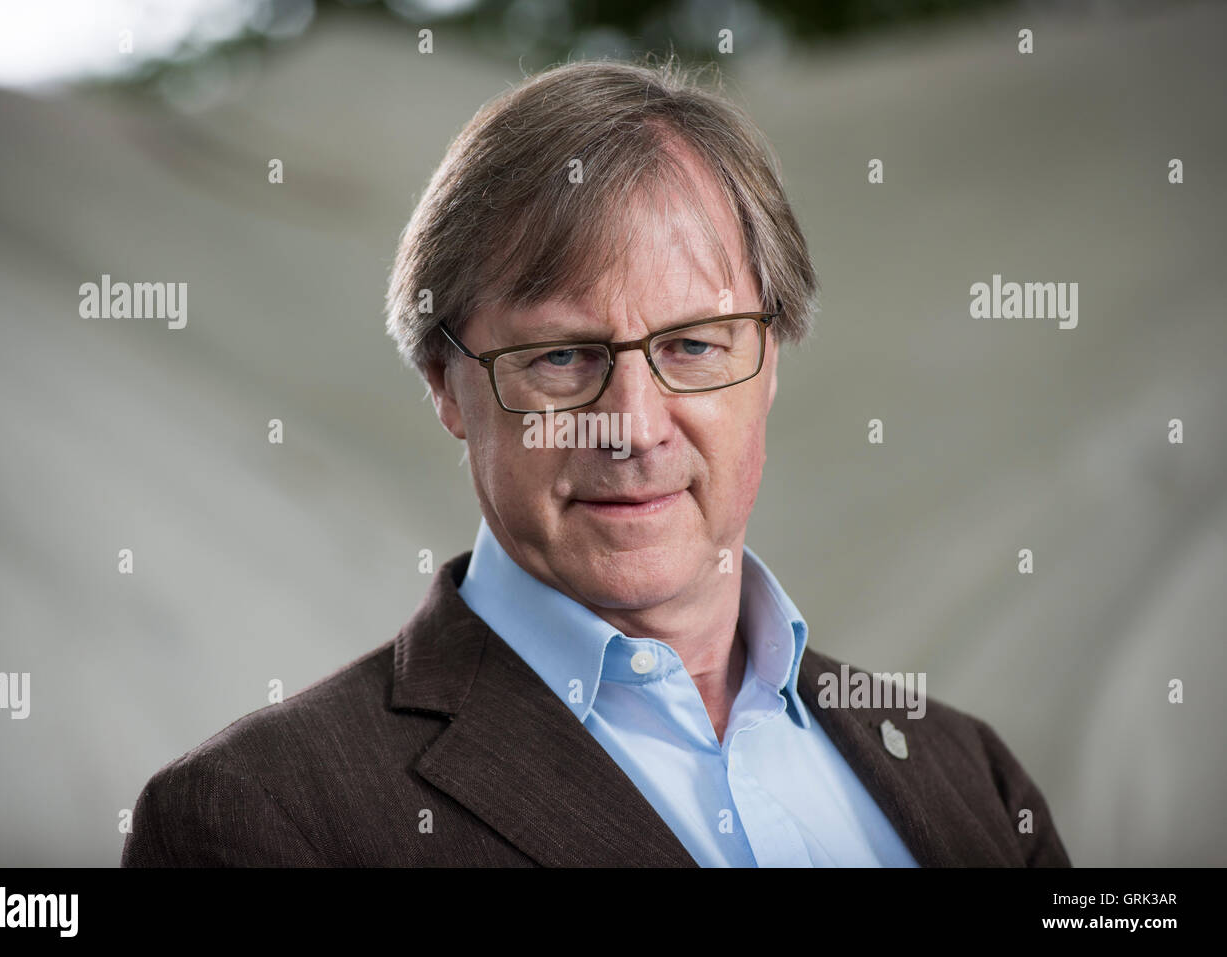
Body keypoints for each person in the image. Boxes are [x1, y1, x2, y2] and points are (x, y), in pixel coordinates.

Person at [122, 58, 1069, 867]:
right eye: (562, 357)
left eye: (696, 345)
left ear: (769, 362)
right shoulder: (260, 820)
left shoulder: (969, 776)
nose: (633, 426)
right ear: (447, 384)